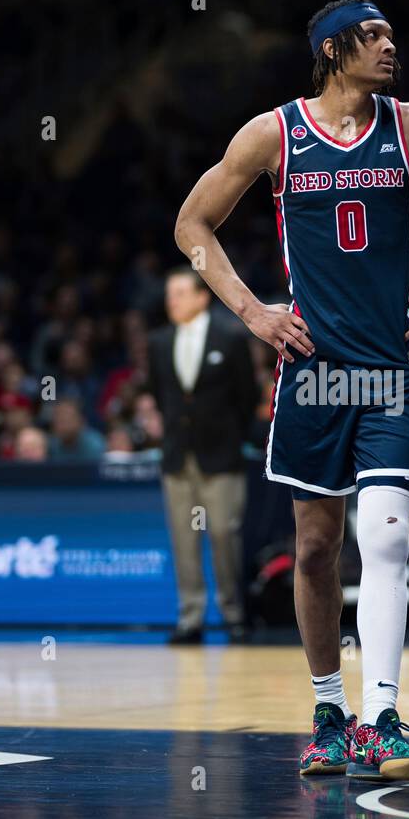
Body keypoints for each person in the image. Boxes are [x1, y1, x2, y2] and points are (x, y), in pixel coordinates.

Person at [174, 0, 409, 783]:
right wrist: (254, 313)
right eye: (373, 37)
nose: (389, 47)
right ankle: (327, 715)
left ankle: (381, 717)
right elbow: (191, 225)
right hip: (312, 371)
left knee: (382, 542)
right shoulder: (272, 134)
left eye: (389, 35)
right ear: (331, 50)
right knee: (315, 549)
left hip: (390, 368)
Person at [146, 269, 258, 644]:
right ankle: (190, 617)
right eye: (169, 293)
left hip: (221, 457)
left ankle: (233, 614)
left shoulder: (229, 338)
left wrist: (228, 436)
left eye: (179, 292)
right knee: (183, 539)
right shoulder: (158, 342)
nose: (171, 300)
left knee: (225, 535)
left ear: (201, 297)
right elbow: (162, 397)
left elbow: (247, 397)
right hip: (178, 458)